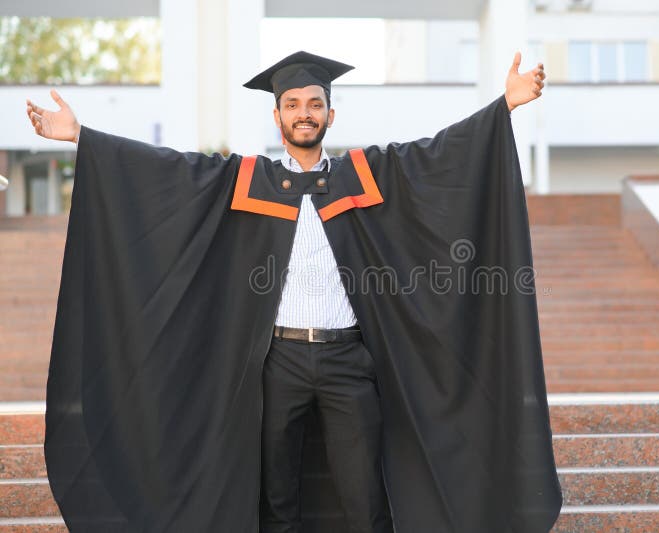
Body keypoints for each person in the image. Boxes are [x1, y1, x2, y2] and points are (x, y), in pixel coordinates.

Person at [27, 50, 562, 533]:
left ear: (331, 114)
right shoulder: (245, 180)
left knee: (365, 501)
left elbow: (438, 155)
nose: (303, 112)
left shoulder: (364, 175)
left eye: (314, 103)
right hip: (276, 361)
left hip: (347, 359)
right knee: (276, 502)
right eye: (292, 104)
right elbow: (166, 173)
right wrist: (83, 137)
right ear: (277, 115)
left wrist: (504, 108)